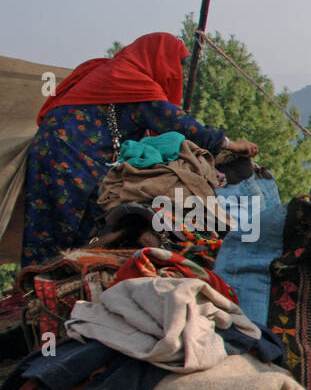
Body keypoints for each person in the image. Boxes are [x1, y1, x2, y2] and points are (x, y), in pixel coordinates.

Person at [23, 32, 258, 268]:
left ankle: (35, 280)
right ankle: (62, 276)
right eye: (176, 67)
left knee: (44, 221)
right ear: (160, 59)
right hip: (72, 155)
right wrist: (227, 143)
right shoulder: (134, 83)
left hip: (45, 148)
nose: (178, 75)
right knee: (87, 215)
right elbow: (178, 123)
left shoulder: (109, 72)